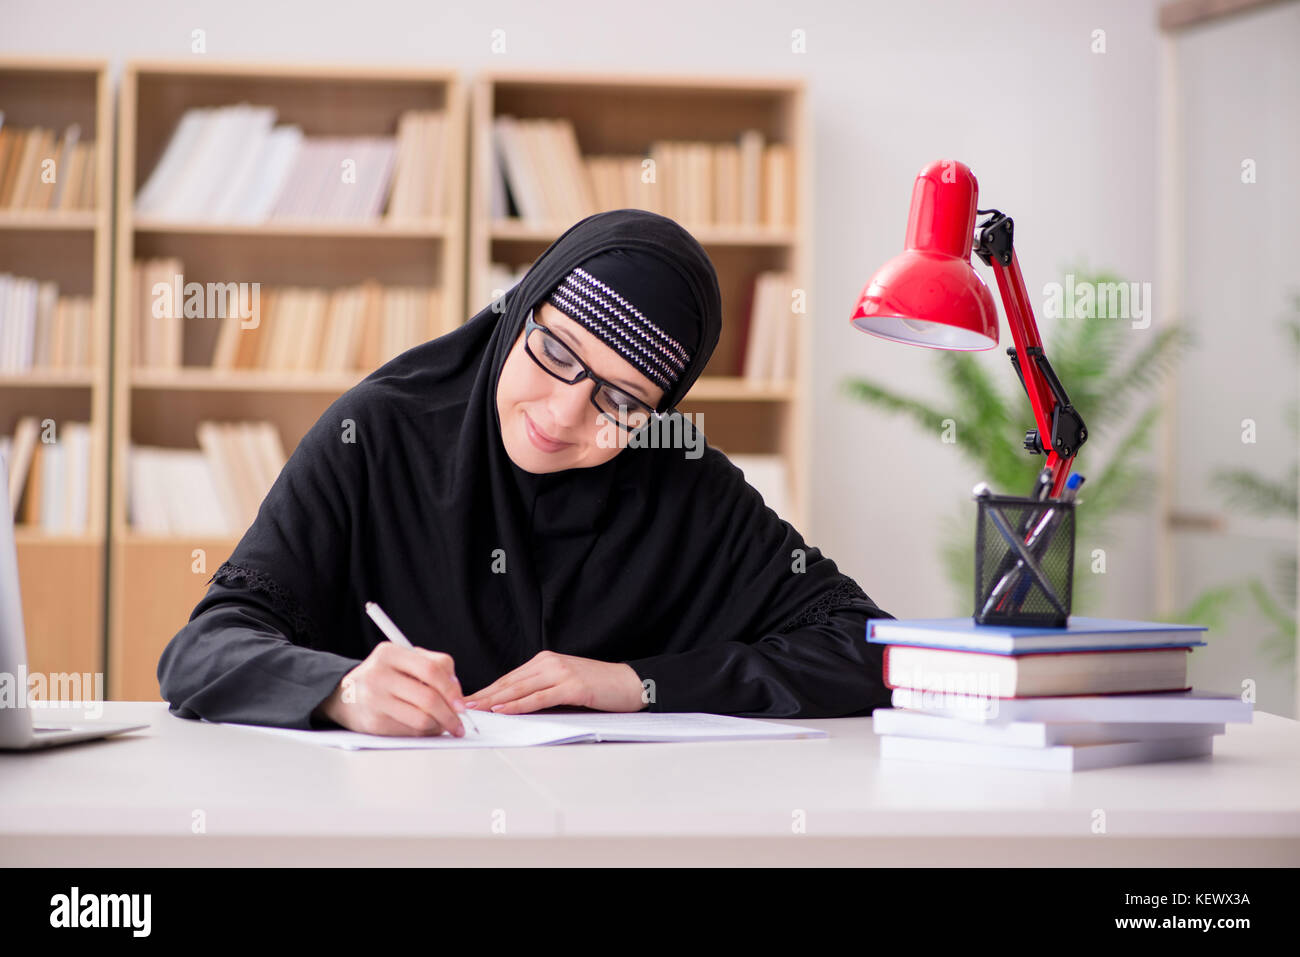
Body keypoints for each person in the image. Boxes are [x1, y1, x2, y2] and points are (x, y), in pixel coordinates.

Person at [157, 208, 893, 736]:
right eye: (558, 351)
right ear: (519, 313)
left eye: (621, 399)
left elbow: (869, 643)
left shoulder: (685, 481)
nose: (568, 412)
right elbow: (204, 647)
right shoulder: (376, 433)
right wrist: (338, 689)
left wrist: (634, 683)